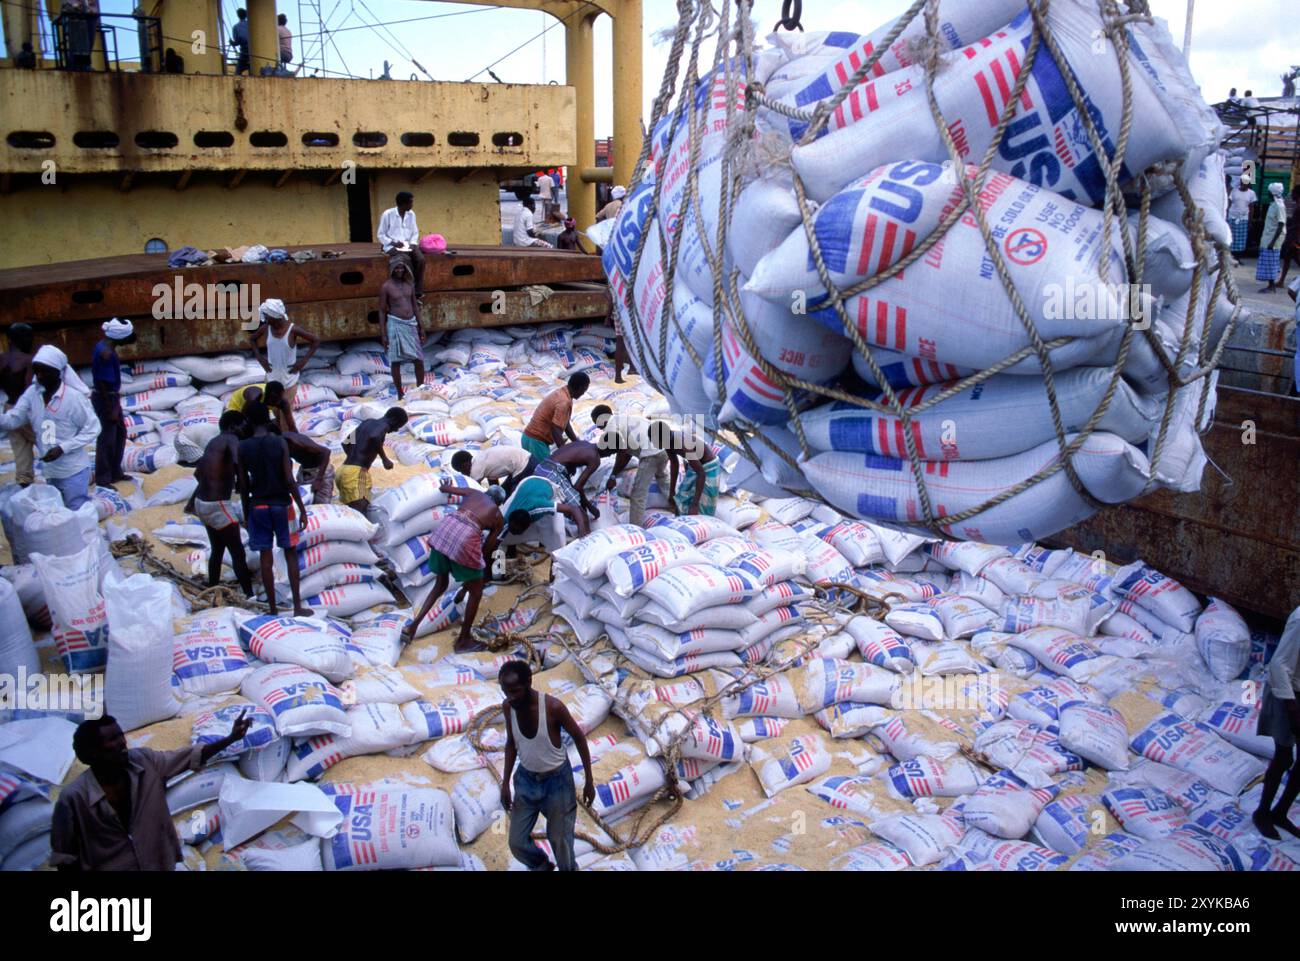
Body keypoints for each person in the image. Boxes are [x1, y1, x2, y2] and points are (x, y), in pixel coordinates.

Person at [50, 711, 253, 871]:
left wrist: (231, 738)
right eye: (112, 739)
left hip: (158, 863)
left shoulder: (145, 762)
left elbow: (188, 756)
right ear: (92, 753)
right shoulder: (74, 798)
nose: (122, 742)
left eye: (120, 735)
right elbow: (65, 857)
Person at [498, 659, 594, 872]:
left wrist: (589, 780)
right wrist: (505, 784)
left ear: (529, 683)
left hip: (557, 783)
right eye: (506, 691)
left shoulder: (552, 707)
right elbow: (512, 744)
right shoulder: (509, 707)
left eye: (515, 691)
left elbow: (579, 737)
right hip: (526, 781)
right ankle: (541, 865)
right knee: (516, 842)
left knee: (560, 840)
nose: (511, 697)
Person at [402, 486, 508, 653]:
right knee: (477, 591)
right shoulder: (498, 517)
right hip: (466, 537)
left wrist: (444, 486)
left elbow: (448, 488)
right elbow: (486, 551)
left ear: (487, 493)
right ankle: (463, 640)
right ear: (500, 503)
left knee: (440, 585)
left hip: (444, 529)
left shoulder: (475, 493)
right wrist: (475, 580)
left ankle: (412, 626)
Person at [0, 345, 99, 510]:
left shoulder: (73, 398)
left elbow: (93, 428)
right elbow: (14, 419)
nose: (39, 376)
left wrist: (63, 448)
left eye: (45, 372)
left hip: (73, 471)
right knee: (59, 516)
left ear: (58, 372)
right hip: (50, 472)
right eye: (36, 371)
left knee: (77, 512)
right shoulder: (33, 394)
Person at [238, 401, 309, 617]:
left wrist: (247, 511)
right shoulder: (279, 443)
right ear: (268, 419)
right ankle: (297, 607)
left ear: (248, 421)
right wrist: (302, 508)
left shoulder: (243, 447)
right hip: (282, 505)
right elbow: (289, 478)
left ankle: (271, 609)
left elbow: (243, 484)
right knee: (290, 554)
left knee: (265, 558)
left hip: (258, 505)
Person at [185, 410, 254, 596]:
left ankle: (212, 585)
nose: (243, 430)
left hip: (203, 502)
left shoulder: (213, 443)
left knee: (217, 548)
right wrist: (242, 480)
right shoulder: (231, 439)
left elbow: (198, 473)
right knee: (238, 553)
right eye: (242, 426)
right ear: (232, 426)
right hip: (217, 504)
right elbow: (237, 458)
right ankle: (249, 594)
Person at [1253, 607, 1300, 840]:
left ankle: (1280, 812)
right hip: (1288, 695)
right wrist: (1293, 712)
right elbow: (1280, 666)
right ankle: (1262, 813)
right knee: (1284, 756)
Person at [592, 406, 669, 527]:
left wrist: (612, 476)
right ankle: (680, 508)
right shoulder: (625, 419)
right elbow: (626, 453)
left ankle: (635, 527)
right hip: (663, 450)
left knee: (638, 494)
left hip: (650, 454)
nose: (597, 427)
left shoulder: (611, 427)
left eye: (596, 422)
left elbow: (621, 452)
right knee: (664, 481)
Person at [336, 407, 407, 513]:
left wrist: (355, 457)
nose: (396, 430)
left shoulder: (367, 423)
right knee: (360, 512)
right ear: (394, 420)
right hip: (355, 474)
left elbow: (346, 443)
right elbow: (374, 436)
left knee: (352, 513)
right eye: (398, 426)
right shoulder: (383, 426)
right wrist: (385, 459)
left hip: (343, 470)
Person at [499, 473, 582, 562]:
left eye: (517, 532)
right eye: (513, 530)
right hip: (526, 484)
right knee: (502, 537)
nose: (514, 533)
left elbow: (573, 509)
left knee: (558, 533)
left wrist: (583, 536)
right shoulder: (506, 518)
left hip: (547, 488)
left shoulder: (541, 506)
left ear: (528, 526)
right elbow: (496, 540)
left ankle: (557, 564)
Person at [90, 318, 133, 487]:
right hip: (105, 398)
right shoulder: (105, 353)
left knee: (120, 434)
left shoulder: (105, 346)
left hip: (111, 396)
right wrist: (111, 408)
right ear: (120, 337)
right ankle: (103, 478)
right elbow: (102, 383)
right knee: (107, 439)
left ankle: (115, 471)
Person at [532, 440, 606, 537]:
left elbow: (570, 484)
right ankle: (586, 546)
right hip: (553, 473)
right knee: (581, 516)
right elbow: (578, 487)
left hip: (541, 468)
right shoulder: (595, 458)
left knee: (559, 509)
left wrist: (582, 504)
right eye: (612, 452)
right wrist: (589, 506)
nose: (609, 456)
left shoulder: (583, 443)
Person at [378, 257, 425, 399]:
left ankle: (420, 389)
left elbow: (415, 306)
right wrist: (383, 335)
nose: (399, 270)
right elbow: (381, 310)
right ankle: (400, 393)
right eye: (396, 268)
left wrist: (421, 327)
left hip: (411, 324)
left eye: (402, 268)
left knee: (419, 360)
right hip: (395, 324)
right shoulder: (386, 287)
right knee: (396, 361)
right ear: (392, 269)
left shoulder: (409, 285)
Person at [249, 299, 318, 389]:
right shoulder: (266, 328)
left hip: (289, 378)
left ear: (274, 316)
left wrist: (302, 363)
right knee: (271, 402)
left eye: (266, 316)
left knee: (286, 403)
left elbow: (316, 340)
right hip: (271, 377)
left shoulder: (293, 330)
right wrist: (260, 359)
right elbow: (252, 339)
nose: (264, 318)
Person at [520, 371, 588, 462]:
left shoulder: (563, 393)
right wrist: (565, 454)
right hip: (536, 442)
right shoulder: (564, 402)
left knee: (529, 471)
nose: (583, 393)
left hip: (529, 438)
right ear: (580, 388)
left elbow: (566, 423)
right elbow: (555, 430)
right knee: (543, 473)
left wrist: (576, 442)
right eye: (584, 390)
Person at [1, 323, 35, 487]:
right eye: (28, 337)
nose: (31, 341)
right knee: (47, 441)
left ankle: (24, 479)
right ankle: (57, 475)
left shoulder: (2, 360)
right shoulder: (28, 360)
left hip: (9, 407)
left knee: (20, 447)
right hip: (27, 410)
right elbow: (31, 389)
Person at [377, 191, 425, 300]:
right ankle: (409, 290)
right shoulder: (387, 214)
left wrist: (413, 244)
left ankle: (418, 290)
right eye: (411, 202)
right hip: (392, 246)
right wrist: (393, 242)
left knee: (421, 259)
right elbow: (380, 235)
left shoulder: (411, 214)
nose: (412, 205)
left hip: (408, 245)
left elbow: (415, 232)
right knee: (405, 260)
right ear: (403, 203)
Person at [667, 428, 720, 517]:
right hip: (695, 465)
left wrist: (695, 505)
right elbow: (674, 464)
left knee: (703, 505)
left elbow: (701, 473)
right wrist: (671, 492)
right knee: (681, 498)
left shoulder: (683, 445)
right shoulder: (667, 442)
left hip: (708, 466)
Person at [282, 429, 334, 503]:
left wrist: (318, 479)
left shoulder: (296, 442)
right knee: (304, 498)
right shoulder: (280, 443)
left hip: (320, 470)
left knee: (322, 501)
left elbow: (326, 451)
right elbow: (288, 462)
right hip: (304, 470)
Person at [225, 379, 297, 433]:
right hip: (239, 406)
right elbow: (244, 417)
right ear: (268, 396)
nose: (278, 402)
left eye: (280, 398)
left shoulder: (282, 402)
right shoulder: (254, 396)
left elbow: (291, 425)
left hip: (258, 409)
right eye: (275, 399)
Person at [451, 446, 531, 490]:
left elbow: (473, 489)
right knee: (504, 491)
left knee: (514, 495)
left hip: (523, 465)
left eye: (461, 471)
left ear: (465, 465)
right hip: (525, 459)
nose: (463, 474)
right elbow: (494, 486)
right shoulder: (481, 459)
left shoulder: (476, 468)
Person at [1258, 182, 1288, 293]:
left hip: (1273, 240)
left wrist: (1272, 242)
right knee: (1268, 262)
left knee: (1271, 263)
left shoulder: (1279, 206)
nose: (1268, 193)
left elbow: (1281, 224)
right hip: (1268, 237)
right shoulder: (1273, 205)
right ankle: (1270, 285)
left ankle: (1271, 287)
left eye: (1269, 192)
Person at [1226, 177, 1255, 258]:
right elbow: (1229, 204)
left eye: (1246, 183)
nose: (1244, 185)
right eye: (1243, 183)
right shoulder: (1234, 191)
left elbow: (1251, 208)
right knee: (1232, 237)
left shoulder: (1251, 193)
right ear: (1241, 183)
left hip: (1243, 219)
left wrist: (1250, 221)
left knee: (1241, 240)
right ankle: (1230, 256)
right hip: (1232, 217)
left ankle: (1237, 257)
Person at [1280, 185, 1300, 287]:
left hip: (1295, 237)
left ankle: (1281, 281)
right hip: (1294, 236)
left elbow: (1297, 225)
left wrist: (1289, 229)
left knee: (1292, 257)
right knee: (1288, 258)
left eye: (1293, 193)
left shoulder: (1298, 207)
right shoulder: (1297, 206)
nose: (1291, 195)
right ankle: (1281, 281)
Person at [231, 7, 250, 75]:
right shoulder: (252, 24)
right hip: (254, 51)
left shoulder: (236, 27)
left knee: (237, 72)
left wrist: (232, 43)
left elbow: (237, 41)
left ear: (238, 15)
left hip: (244, 52)